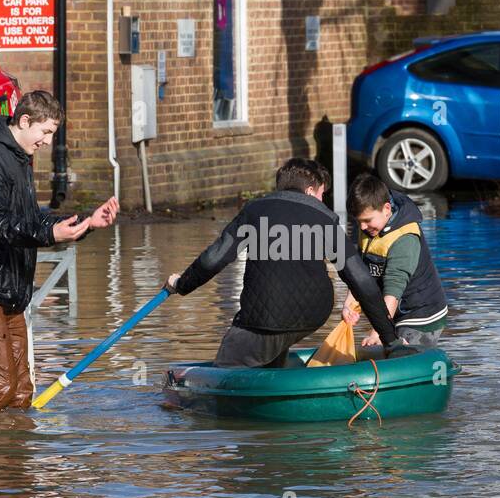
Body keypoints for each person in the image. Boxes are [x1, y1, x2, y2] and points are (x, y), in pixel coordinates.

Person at [0, 90, 118, 412]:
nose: (48, 141)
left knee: (22, 391)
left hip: (9, 290)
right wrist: (49, 233)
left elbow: (30, 218)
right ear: (25, 121)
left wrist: (87, 222)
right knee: (0, 387)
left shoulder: (19, 158)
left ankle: (11, 459)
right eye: (46, 131)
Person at [166, 158, 407, 368]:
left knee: (227, 370)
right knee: (274, 342)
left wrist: (183, 283)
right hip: (314, 313)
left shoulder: (254, 211)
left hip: (260, 320)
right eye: (322, 194)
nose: (322, 201)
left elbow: (213, 259)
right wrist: (391, 340)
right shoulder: (324, 219)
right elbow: (361, 279)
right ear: (311, 191)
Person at [341, 172, 448, 351]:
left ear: (387, 209)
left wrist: (378, 331)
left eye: (367, 221)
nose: (362, 227)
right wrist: (348, 306)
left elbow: (393, 290)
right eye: (358, 221)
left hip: (420, 315)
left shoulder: (404, 239)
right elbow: (360, 274)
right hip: (393, 311)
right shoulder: (369, 227)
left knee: (400, 354)